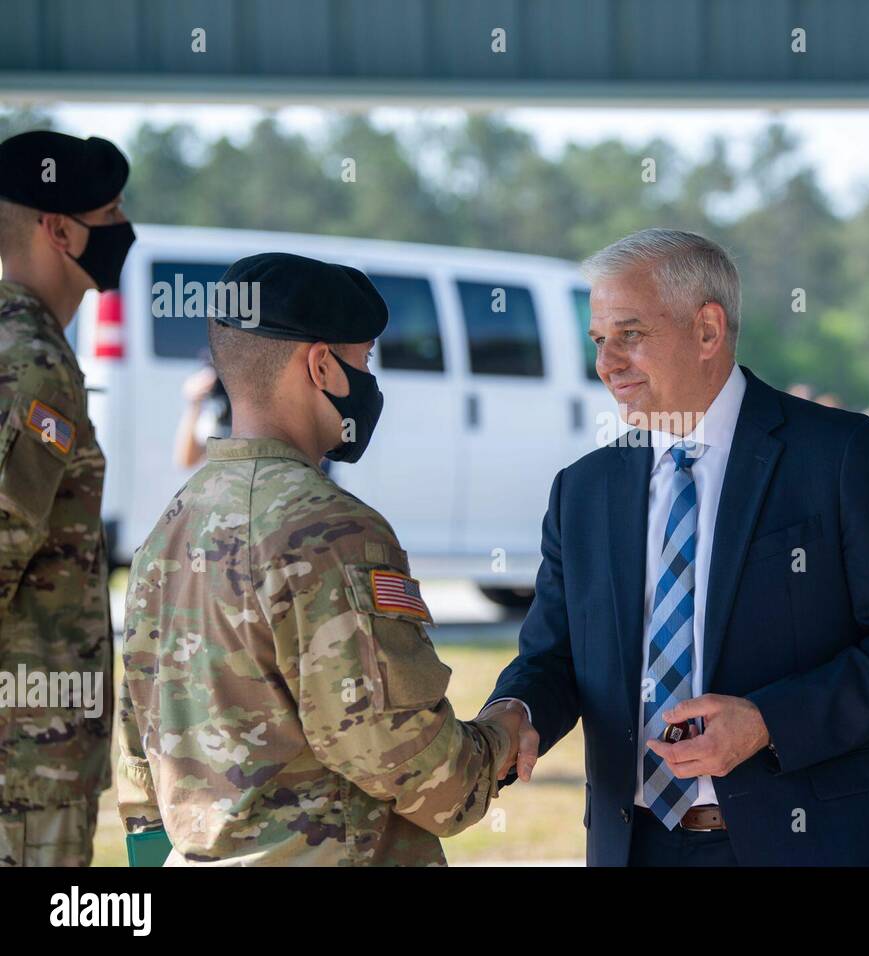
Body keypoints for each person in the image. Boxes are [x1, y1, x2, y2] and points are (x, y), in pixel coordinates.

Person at [481, 229, 869, 866]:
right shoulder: (582, 491)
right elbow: (552, 658)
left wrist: (768, 722)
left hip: (814, 846)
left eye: (630, 335)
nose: (607, 364)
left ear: (708, 330)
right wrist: (516, 709)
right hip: (636, 849)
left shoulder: (839, 455)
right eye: (599, 341)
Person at [115, 253, 523, 865]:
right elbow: (418, 771)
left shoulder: (171, 525)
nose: (370, 382)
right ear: (322, 365)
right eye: (364, 361)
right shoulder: (334, 532)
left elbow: (140, 758)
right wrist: (504, 735)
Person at [0, 130, 134, 866]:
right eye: (109, 212)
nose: (122, 230)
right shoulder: (35, 364)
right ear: (58, 230)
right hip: (25, 769)